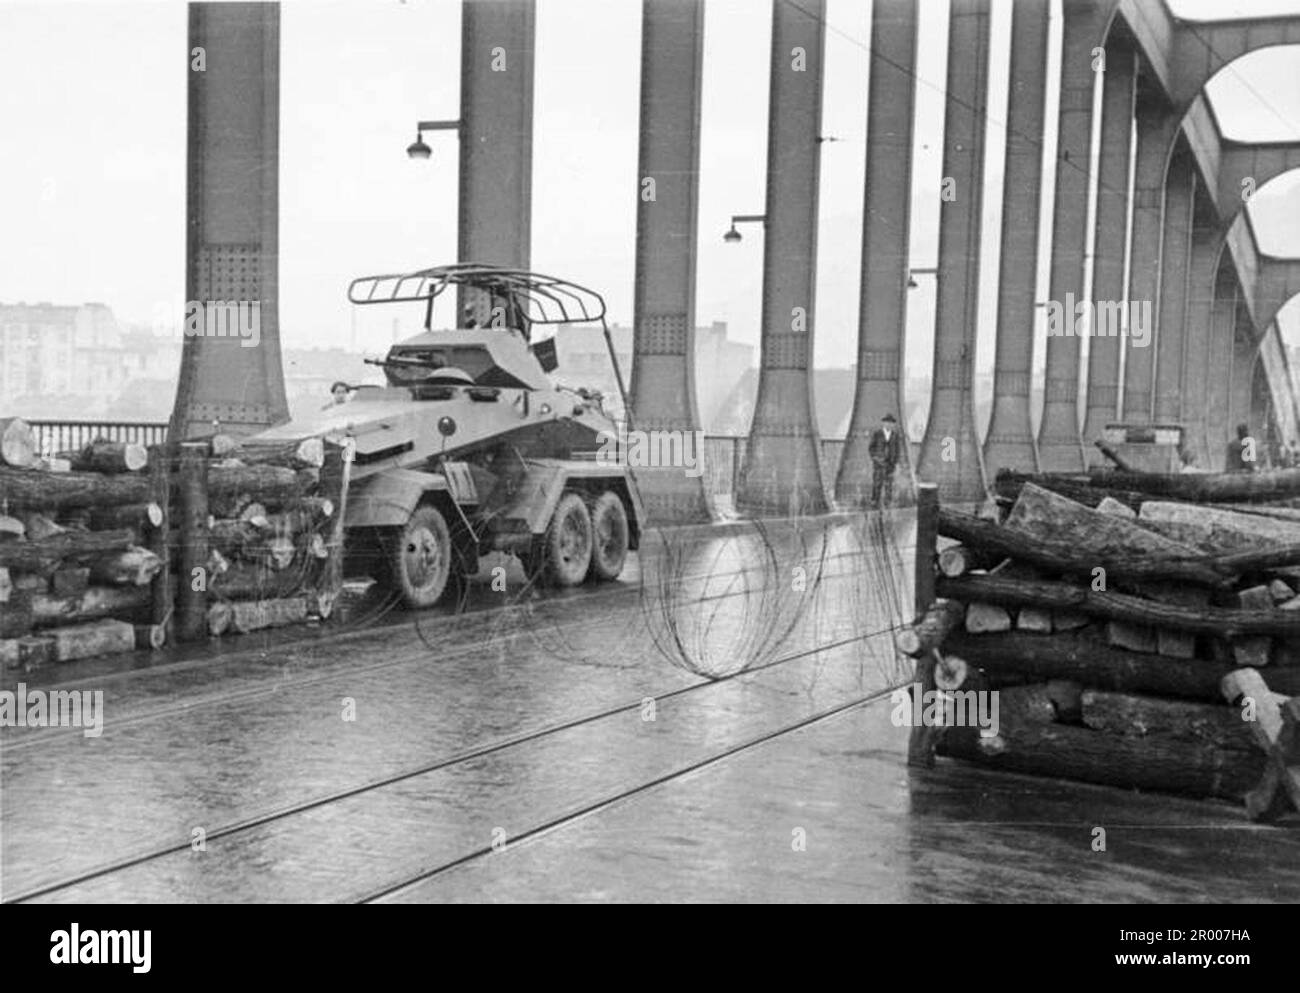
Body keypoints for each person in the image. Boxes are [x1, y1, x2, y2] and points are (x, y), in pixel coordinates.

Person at [868, 413, 903, 509]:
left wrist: (895, 462)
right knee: (877, 483)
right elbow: (871, 448)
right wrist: (875, 458)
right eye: (887, 422)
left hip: (890, 464)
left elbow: (897, 449)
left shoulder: (895, 435)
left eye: (891, 423)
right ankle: (874, 502)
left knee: (889, 484)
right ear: (883, 423)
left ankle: (888, 503)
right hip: (879, 463)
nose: (889, 425)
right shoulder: (877, 434)